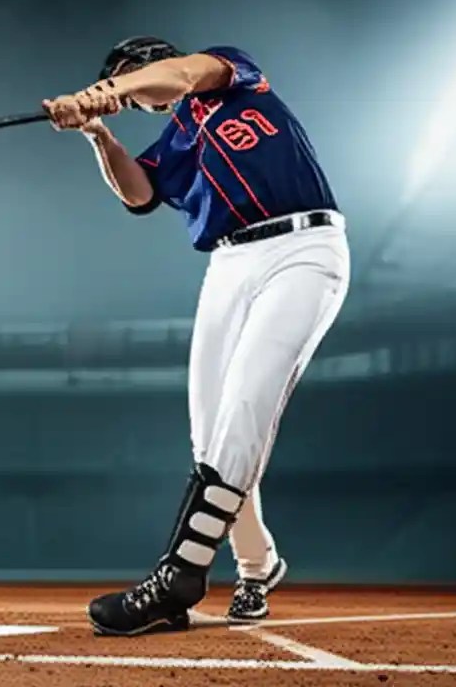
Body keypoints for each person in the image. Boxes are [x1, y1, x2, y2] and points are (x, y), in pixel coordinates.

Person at [42, 37, 350, 635]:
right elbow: (139, 193)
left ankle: (180, 575)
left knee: (244, 409)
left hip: (302, 246)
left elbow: (181, 75)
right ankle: (259, 565)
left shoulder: (228, 73)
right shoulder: (174, 142)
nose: (129, 92)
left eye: (129, 79)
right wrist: (99, 135)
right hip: (230, 262)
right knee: (211, 434)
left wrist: (101, 94)